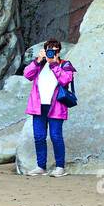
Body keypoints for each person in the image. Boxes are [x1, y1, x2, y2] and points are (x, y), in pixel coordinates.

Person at [22, 39, 75, 176]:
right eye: (49, 50)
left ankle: (60, 167)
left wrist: (54, 65)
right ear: (45, 50)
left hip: (56, 107)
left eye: (55, 50)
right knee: (39, 137)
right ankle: (41, 167)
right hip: (38, 106)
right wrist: (38, 60)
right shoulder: (39, 64)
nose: (52, 52)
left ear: (59, 51)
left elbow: (65, 80)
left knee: (56, 136)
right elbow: (27, 74)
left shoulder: (65, 64)